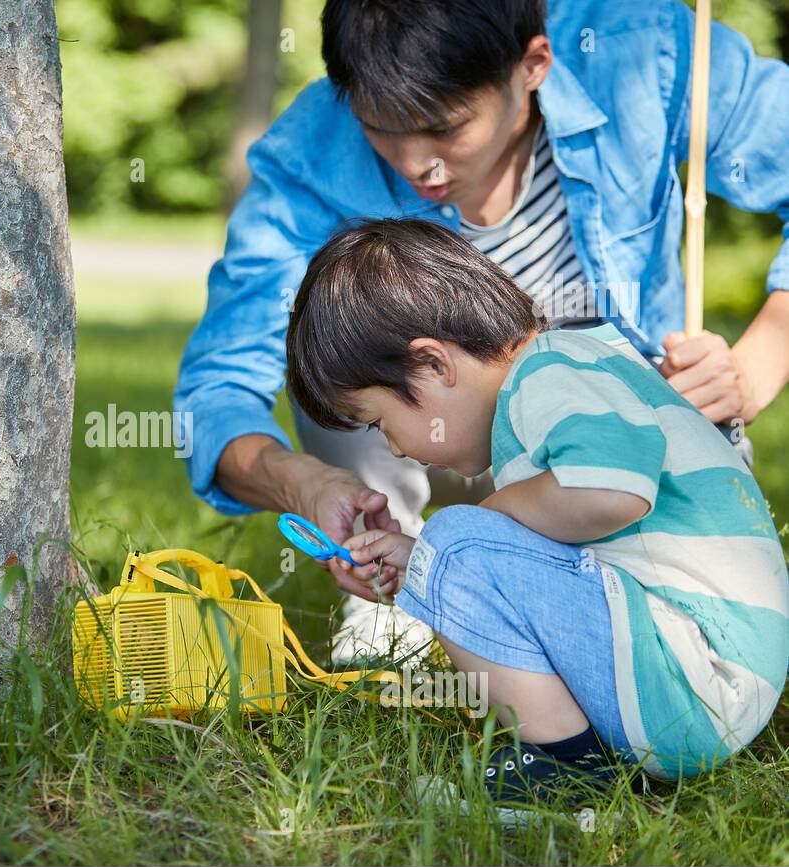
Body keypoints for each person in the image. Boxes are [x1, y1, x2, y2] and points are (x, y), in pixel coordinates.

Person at [174, 0, 789, 665]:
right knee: (339, 351)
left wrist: (759, 363)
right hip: (417, 444)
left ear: (533, 64)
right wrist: (304, 482)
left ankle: (611, 594)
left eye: (445, 127)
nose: (417, 165)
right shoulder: (309, 154)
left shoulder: (643, 47)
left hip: (614, 449)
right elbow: (217, 390)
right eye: (379, 128)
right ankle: (397, 599)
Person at [285, 216, 789, 819]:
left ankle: (566, 772)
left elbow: (610, 492)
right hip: (699, 681)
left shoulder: (547, 371)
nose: (392, 448)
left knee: (455, 536)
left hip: (695, 678)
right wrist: (431, 563)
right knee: (454, 544)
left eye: (378, 421)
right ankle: (574, 755)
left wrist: (462, 540)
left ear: (434, 364)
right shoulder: (570, 368)